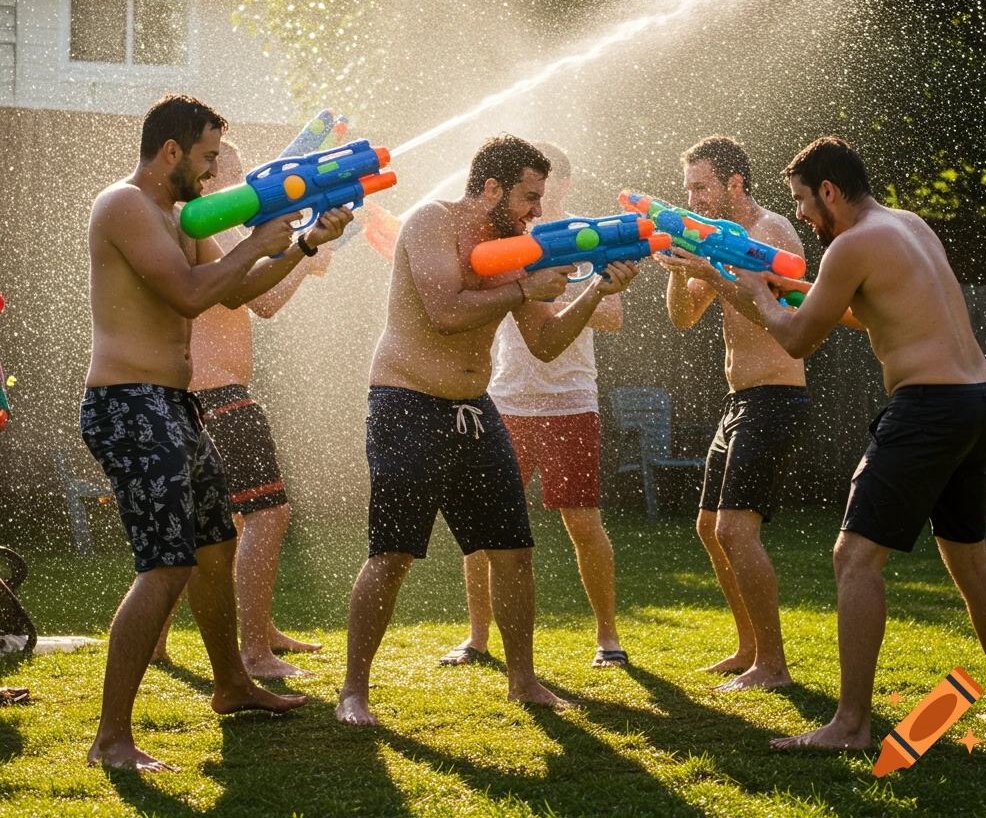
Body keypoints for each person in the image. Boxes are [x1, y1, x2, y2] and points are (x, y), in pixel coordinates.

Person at [701, 136, 986, 748]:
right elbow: (865, 311)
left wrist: (756, 290)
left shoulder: (850, 245)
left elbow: (796, 340)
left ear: (828, 191)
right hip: (977, 401)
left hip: (927, 409)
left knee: (854, 559)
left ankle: (850, 725)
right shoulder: (907, 225)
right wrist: (782, 284)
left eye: (802, 200)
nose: (799, 214)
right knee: (972, 561)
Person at [80, 94, 351, 771]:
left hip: (172, 402)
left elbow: (239, 292)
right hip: (128, 403)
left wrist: (305, 243)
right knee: (167, 563)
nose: (210, 175)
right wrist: (258, 238)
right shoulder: (123, 206)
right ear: (170, 151)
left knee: (214, 544)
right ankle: (111, 736)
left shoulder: (179, 216)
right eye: (204, 159)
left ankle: (231, 684)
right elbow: (191, 294)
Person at [336, 134, 640, 725]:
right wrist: (527, 286)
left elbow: (547, 342)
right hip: (407, 404)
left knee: (515, 553)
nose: (537, 210)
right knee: (393, 554)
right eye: (529, 196)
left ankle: (523, 681)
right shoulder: (432, 222)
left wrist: (595, 289)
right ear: (494, 188)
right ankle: (354, 690)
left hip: (476, 409)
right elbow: (445, 310)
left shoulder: (516, 247)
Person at [440, 141, 628, 671]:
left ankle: (607, 638)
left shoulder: (588, 239)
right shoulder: (504, 238)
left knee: (582, 522)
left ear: (559, 188)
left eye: (543, 190)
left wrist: (555, 291)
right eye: (530, 192)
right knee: (482, 526)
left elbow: (611, 317)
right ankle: (477, 638)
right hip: (506, 398)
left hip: (570, 399)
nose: (536, 203)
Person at [152, 140, 331, 679]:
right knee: (267, 515)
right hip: (221, 396)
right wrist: (308, 253)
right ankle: (255, 651)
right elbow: (266, 302)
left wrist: (298, 251)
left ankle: (176, 641)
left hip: (192, 396)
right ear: (209, 180)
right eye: (232, 170)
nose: (248, 181)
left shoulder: (192, 226)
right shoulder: (210, 227)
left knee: (202, 528)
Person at [658, 135, 809, 691]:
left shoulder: (770, 233)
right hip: (740, 399)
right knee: (709, 527)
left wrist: (713, 268)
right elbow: (682, 318)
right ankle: (749, 648)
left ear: (735, 184)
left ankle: (774, 666)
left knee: (736, 531)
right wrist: (680, 269)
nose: (692, 198)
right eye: (688, 188)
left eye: (701, 187)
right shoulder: (713, 239)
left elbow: (783, 316)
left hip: (775, 394)